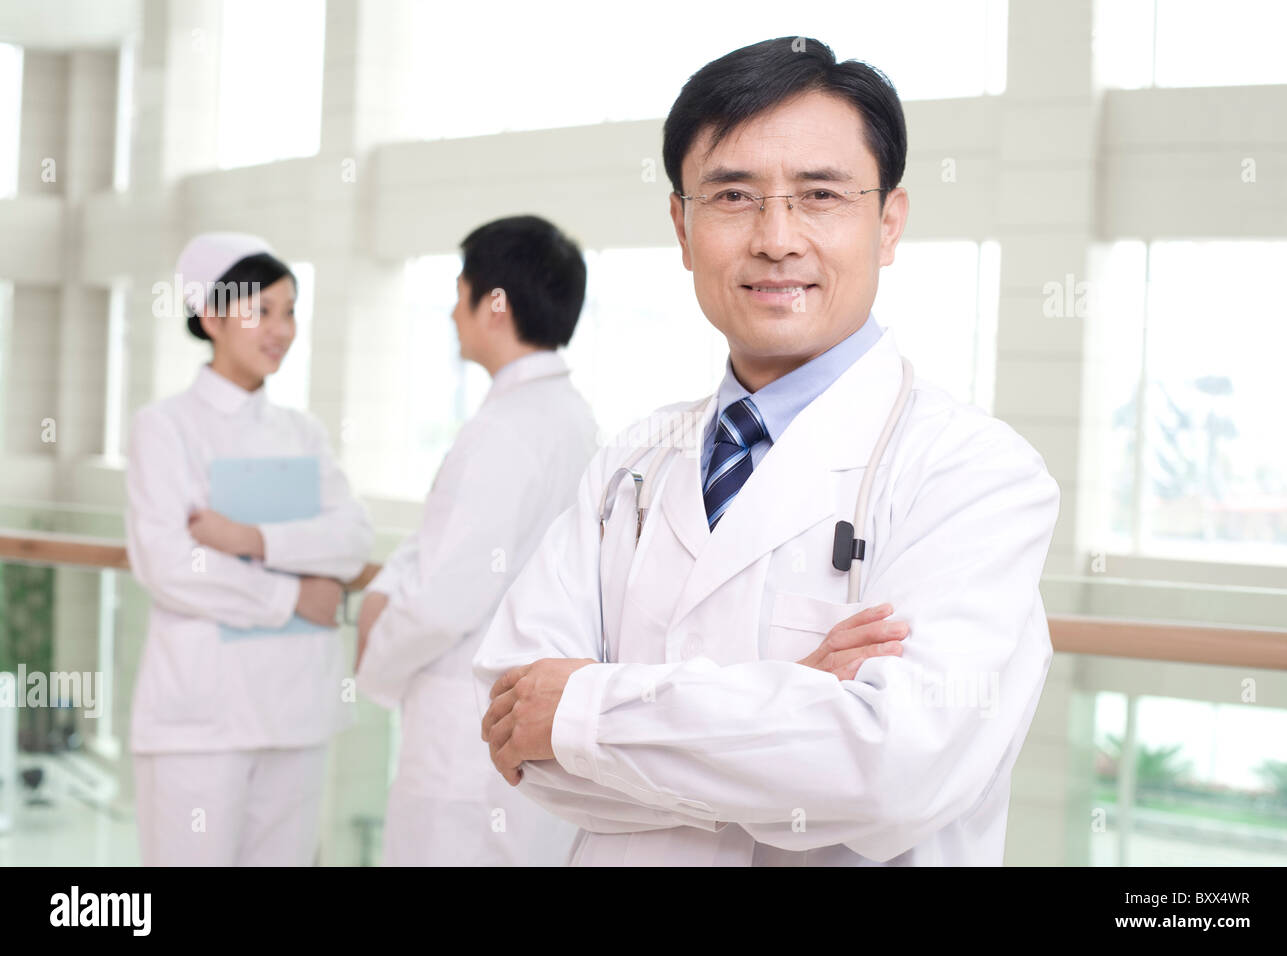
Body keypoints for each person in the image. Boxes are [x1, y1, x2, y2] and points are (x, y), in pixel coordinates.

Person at [475, 38, 1061, 866]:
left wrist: (585, 712)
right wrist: (793, 701)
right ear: (682, 226)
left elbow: (890, 773)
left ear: (887, 223)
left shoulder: (974, 475)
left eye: (820, 195)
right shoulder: (632, 460)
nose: (776, 238)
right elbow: (512, 728)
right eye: (734, 196)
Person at [127, 233, 374, 866]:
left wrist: (247, 539)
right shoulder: (165, 429)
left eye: (288, 311)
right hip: (202, 721)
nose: (281, 329)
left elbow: (351, 541)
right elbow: (172, 566)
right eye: (259, 311)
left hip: (297, 715)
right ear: (211, 318)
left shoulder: (304, 433)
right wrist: (295, 592)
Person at [356, 215, 596, 865]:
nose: (451, 311)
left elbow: (442, 598)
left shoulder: (505, 429)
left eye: (459, 291)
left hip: (463, 742)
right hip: (521, 739)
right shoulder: (572, 417)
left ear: (493, 305)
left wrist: (373, 653)